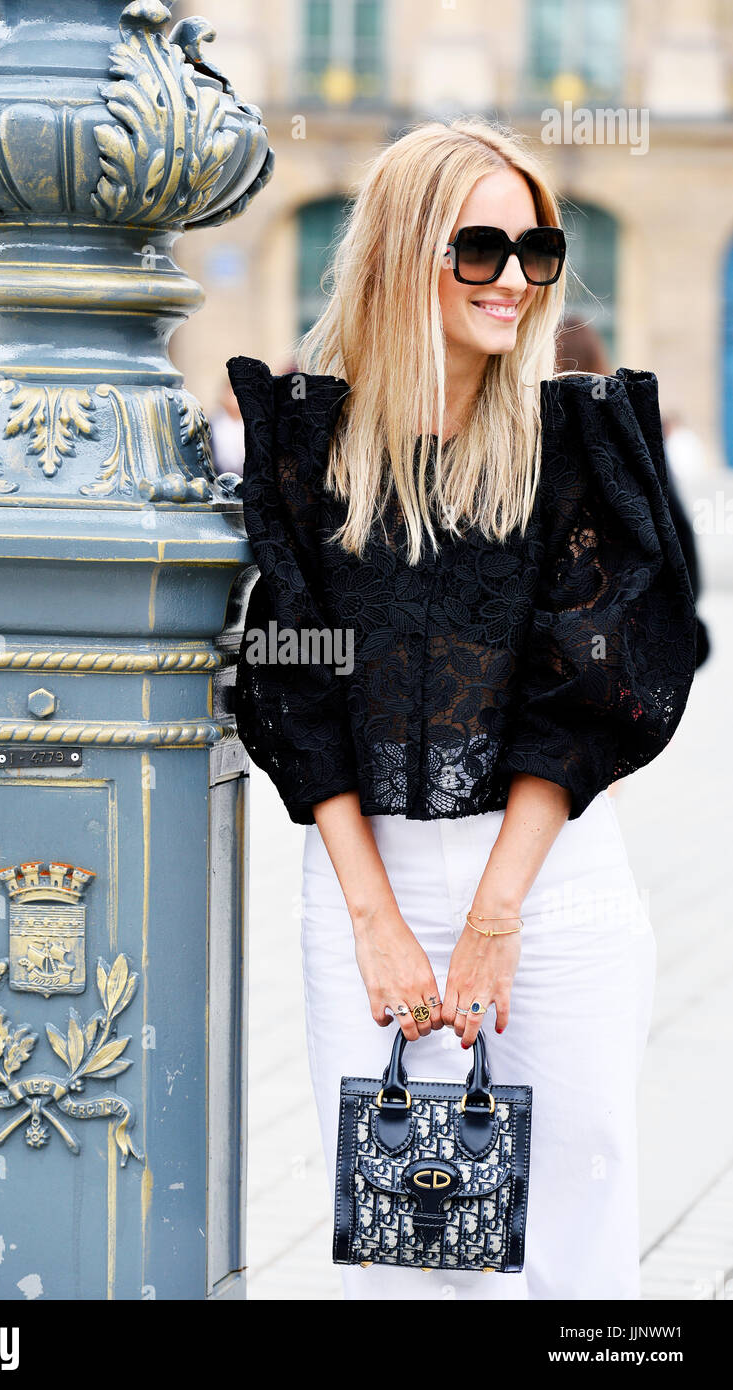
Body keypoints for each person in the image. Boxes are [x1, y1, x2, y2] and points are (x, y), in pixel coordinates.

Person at [226, 116, 698, 1301]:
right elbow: (294, 683)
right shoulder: (306, 444)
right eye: (476, 248)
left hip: (553, 889)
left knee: (574, 1234)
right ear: (399, 251)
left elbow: (591, 688)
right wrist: (375, 921)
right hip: (364, 894)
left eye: (533, 249)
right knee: (404, 1253)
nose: (514, 280)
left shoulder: (576, 437)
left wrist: (493, 915)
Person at [556, 314, 709, 668]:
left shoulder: (523, 440)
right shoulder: (628, 437)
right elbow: (677, 537)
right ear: (598, 363)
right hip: (619, 651)